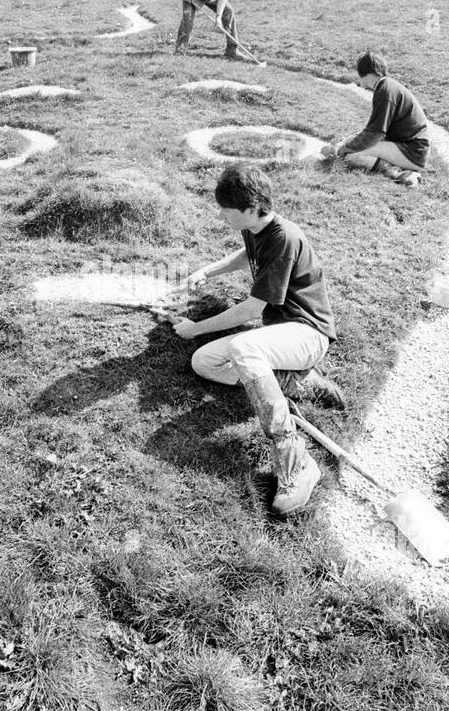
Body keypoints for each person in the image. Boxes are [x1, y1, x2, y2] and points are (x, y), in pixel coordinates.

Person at [170, 166, 346, 515]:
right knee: (203, 362)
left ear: (250, 208)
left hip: (307, 334)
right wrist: (208, 270)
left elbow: (251, 309)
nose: (220, 215)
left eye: (226, 209)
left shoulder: (284, 238)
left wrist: (195, 328)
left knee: (240, 347)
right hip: (280, 336)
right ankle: (297, 382)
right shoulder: (255, 228)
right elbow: (247, 255)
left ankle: (295, 462)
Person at [322, 51, 431, 188]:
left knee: (351, 157)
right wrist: (348, 141)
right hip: (409, 146)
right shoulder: (387, 86)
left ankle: (401, 173)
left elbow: (375, 133)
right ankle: (402, 169)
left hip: (413, 151)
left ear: (365, 74)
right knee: (354, 148)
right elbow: (373, 130)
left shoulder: (384, 90)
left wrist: (344, 148)